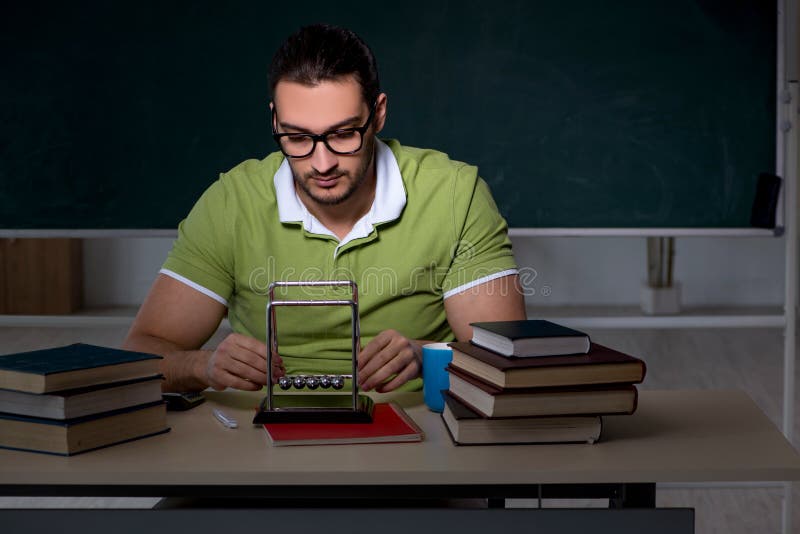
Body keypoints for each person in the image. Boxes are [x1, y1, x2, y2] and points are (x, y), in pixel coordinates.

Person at [123, 24, 526, 394]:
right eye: (297, 137)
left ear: (379, 113)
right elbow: (141, 353)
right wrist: (202, 365)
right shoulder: (231, 203)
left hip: (415, 434)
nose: (322, 163)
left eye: (343, 134)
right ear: (274, 121)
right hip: (259, 436)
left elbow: (507, 354)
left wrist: (426, 356)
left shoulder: (456, 194)